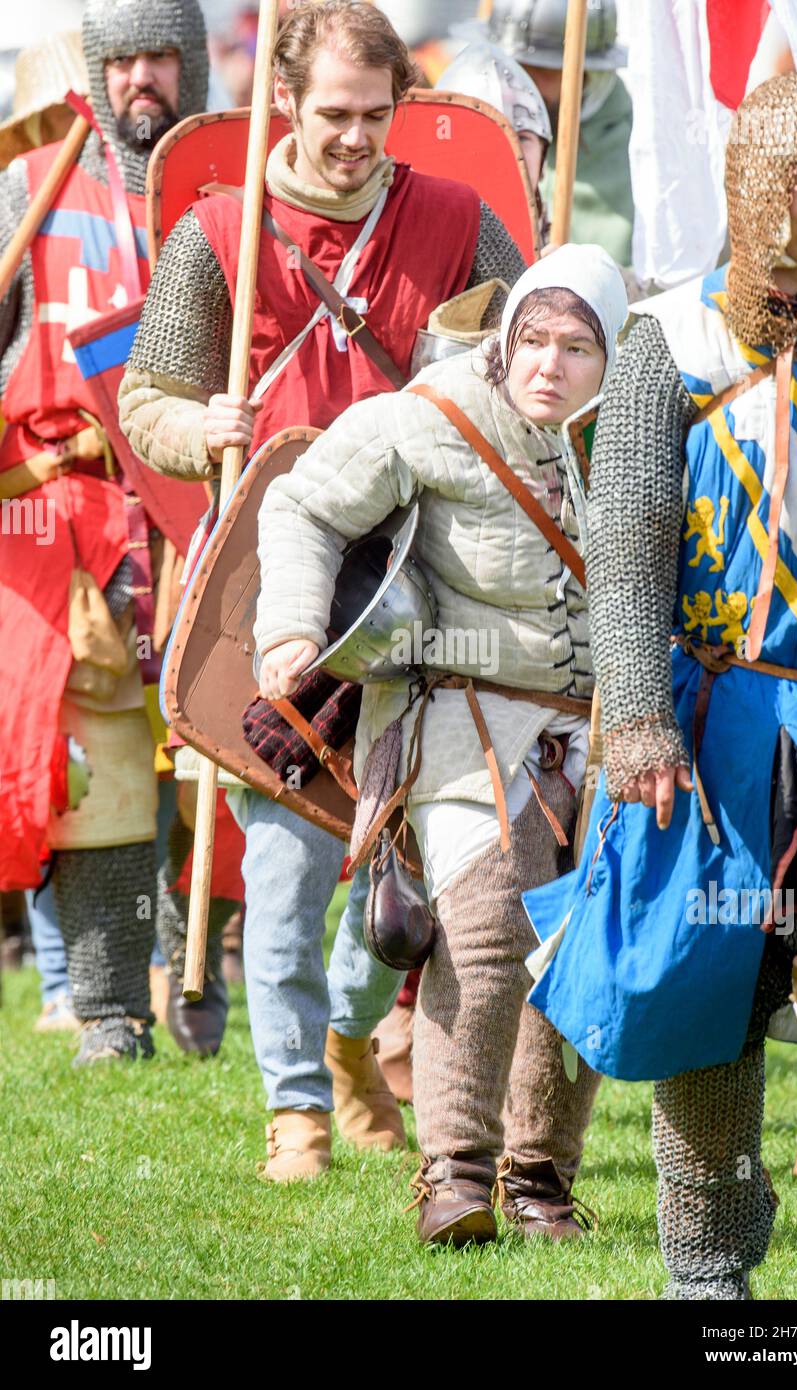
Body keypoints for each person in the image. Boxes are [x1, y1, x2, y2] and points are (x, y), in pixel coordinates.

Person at [120, 0, 529, 1180]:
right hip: (273, 581)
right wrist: (202, 421)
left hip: (418, 582)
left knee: (398, 875)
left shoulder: (455, 219)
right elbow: (142, 400)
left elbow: (535, 370)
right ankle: (293, 1101)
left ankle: (352, 1037)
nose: (355, 138)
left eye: (376, 114)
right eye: (333, 115)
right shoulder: (218, 229)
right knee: (290, 868)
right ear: (285, 108)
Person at [524, 72, 797, 1300]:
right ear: (752, 191)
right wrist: (629, 715)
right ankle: (705, 1267)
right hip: (708, 721)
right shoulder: (669, 338)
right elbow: (625, 548)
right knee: (707, 990)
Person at [255, 243, 627, 1244]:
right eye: (533, 340)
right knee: (490, 923)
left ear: (608, 357)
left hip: (585, 724)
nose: (549, 364)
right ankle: (454, 1174)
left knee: (581, 943)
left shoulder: (621, 439)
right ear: (505, 337)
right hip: (456, 713)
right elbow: (301, 501)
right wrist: (290, 626)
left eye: (577, 346)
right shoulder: (430, 416)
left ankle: (539, 1178)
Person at [0, 0, 209, 1065]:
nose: (140, 79)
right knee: (105, 766)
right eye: (121, 57)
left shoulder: (226, 185)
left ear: (194, 61)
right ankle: (107, 1008)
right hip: (71, 518)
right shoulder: (30, 189)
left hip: (203, 505)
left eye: (160, 55)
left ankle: (204, 975)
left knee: (228, 744)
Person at [452, 0, 633, 264]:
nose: (522, 84)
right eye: (513, 68)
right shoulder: (482, 127)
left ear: (589, 75)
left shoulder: (636, 148)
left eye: (540, 71)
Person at [435, 40, 552, 242]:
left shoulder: (562, 260)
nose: (511, 150)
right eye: (488, 137)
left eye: (523, 138)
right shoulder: (424, 238)